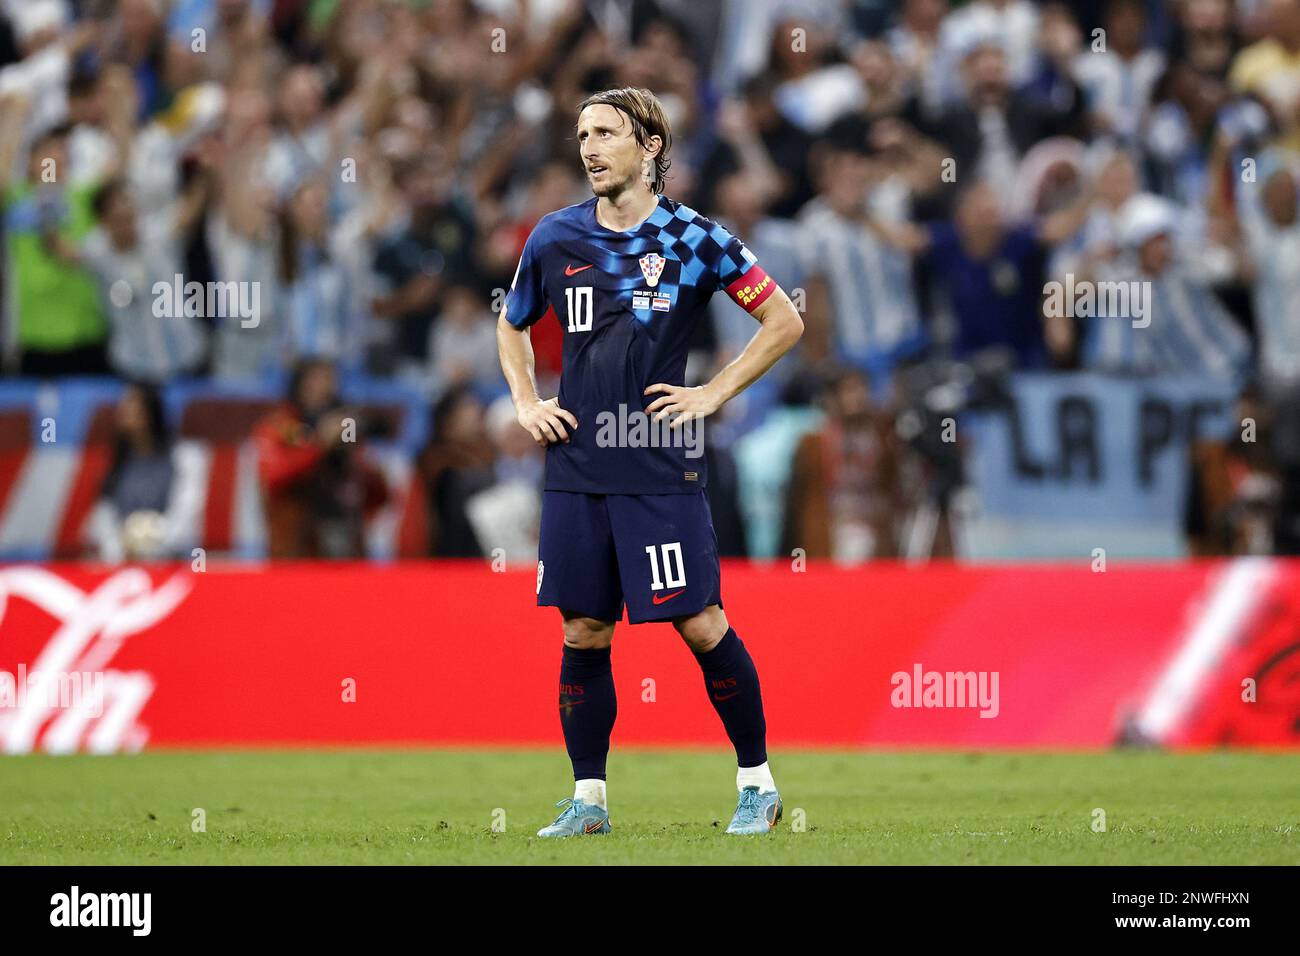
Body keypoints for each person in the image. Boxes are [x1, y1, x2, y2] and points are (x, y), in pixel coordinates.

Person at [496, 87, 803, 837]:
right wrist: (526, 401)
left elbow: (783, 320)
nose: (590, 148)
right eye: (582, 135)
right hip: (575, 467)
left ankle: (758, 785)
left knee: (699, 623)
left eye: (606, 133)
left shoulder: (697, 239)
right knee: (582, 632)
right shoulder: (555, 236)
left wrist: (713, 394)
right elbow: (511, 324)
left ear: (651, 146)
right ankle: (588, 801)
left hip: (658, 462)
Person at [253, 359, 388, 558]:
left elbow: (380, 495)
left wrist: (356, 456)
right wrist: (320, 444)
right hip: (295, 544)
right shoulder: (280, 426)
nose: (326, 387)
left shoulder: (346, 428)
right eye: (317, 380)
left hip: (344, 538)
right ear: (300, 384)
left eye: (332, 381)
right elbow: (273, 478)